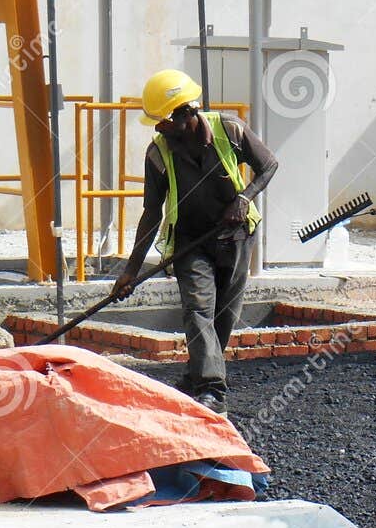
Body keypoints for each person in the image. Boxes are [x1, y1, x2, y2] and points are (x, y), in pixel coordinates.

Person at [114, 69, 278, 415]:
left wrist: (244, 198)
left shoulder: (230, 130)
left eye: (162, 122)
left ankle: (195, 375)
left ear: (186, 113)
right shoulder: (158, 153)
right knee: (198, 309)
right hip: (191, 243)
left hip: (235, 238)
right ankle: (212, 390)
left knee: (224, 316)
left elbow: (268, 165)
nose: (158, 128)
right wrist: (130, 270)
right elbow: (151, 213)